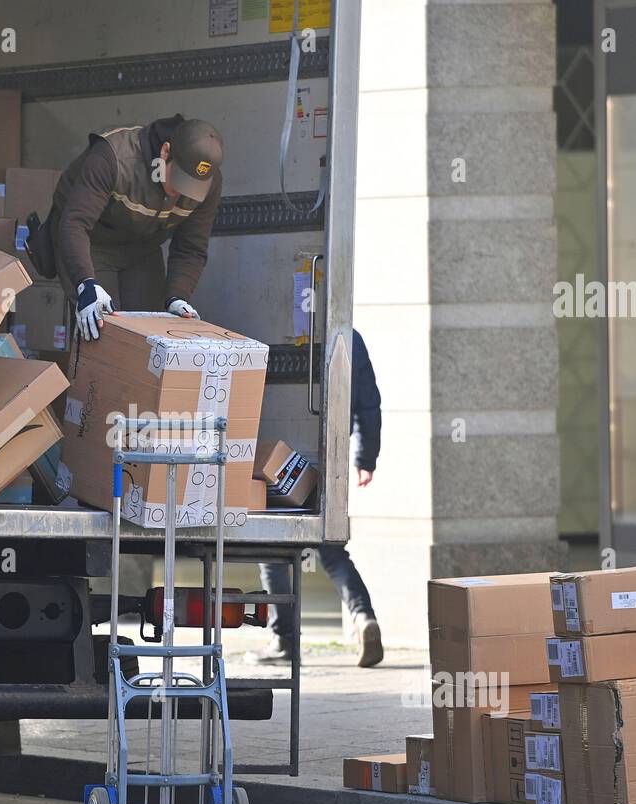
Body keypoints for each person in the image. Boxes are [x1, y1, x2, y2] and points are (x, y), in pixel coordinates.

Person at [250, 330, 384, 668]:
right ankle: (363, 617)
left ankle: (284, 639)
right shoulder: (347, 336)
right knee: (332, 550)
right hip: (329, 457)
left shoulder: (276, 324)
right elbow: (369, 402)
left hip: (276, 454)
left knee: (272, 548)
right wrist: (365, 459)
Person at [36, 115, 224, 340]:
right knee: (101, 330)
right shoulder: (114, 157)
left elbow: (191, 247)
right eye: (178, 179)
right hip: (92, 239)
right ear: (165, 153)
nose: (182, 192)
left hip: (142, 245)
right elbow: (75, 223)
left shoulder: (209, 184)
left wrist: (177, 297)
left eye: (192, 187)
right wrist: (86, 283)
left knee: (149, 335)